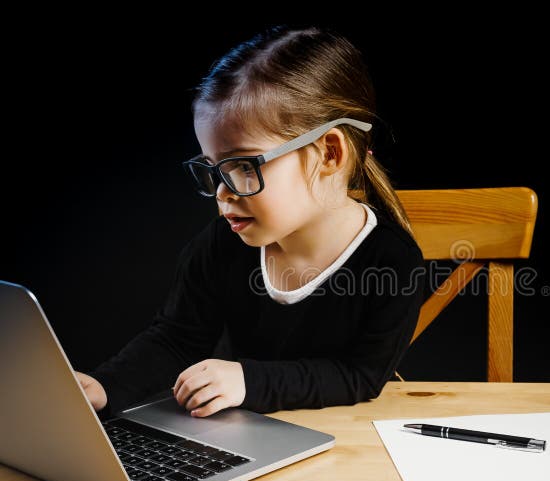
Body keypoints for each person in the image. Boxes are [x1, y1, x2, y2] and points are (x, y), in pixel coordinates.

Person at [75, 25, 425, 419]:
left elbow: (358, 375)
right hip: (246, 438)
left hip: (351, 442)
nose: (222, 193)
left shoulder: (391, 260)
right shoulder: (224, 245)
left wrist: (249, 381)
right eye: (212, 169)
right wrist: (106, 385)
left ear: (329, 153)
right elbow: (178, 339)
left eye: (243, 165)